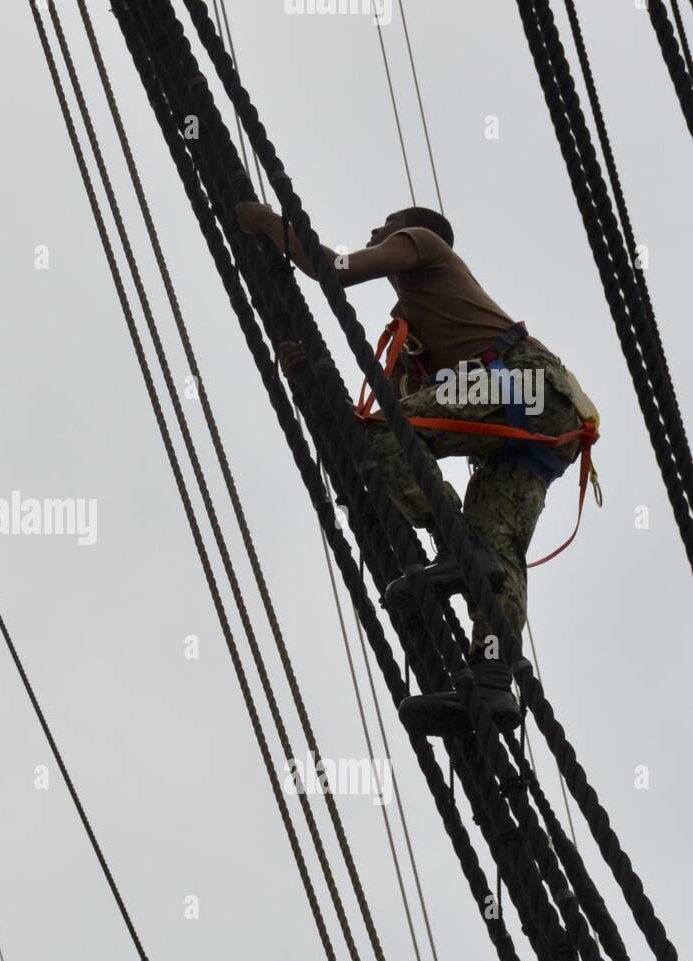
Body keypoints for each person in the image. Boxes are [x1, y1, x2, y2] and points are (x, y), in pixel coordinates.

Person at [237, 201, 598, 736]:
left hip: (520, 384)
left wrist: (266, 222)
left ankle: (456, 550)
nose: (377, 233)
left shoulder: (424, 244)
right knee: (497, 547)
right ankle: (492, 675)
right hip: (547, 422)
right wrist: (307, 374)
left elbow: (334, 270)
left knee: (392, 439)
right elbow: (384, 427)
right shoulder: (416, 342)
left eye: (383, 227)